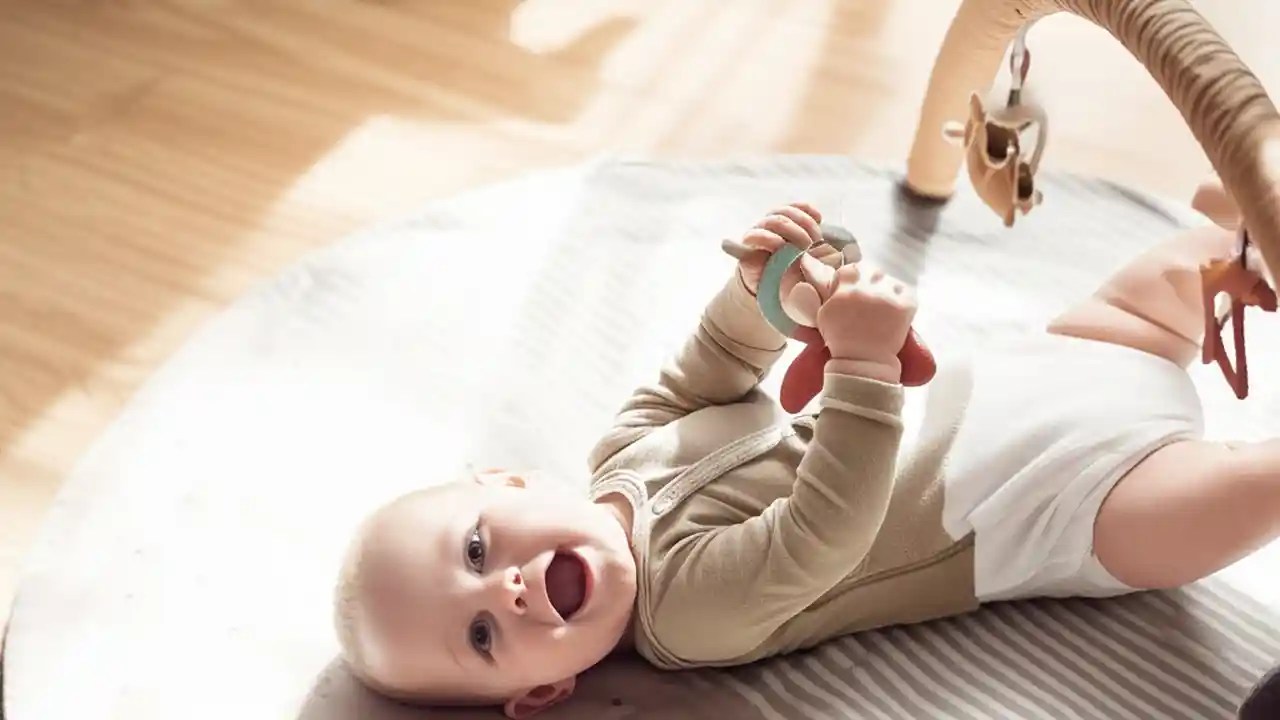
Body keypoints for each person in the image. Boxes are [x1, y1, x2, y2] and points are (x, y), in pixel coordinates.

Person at [333, 184, 1280, 718]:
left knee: (1182, 273)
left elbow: (713, 363)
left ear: (506, 479)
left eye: (474, 550)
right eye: (483, 637)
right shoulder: (686, 615)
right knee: (1248, 488)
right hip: (1071, 508)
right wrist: (863, 361)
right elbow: (827, 526)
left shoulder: (622, 452)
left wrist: (766, 288)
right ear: (544, 690)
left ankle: (1244, 209)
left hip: (1063, 358)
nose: (503, 591)